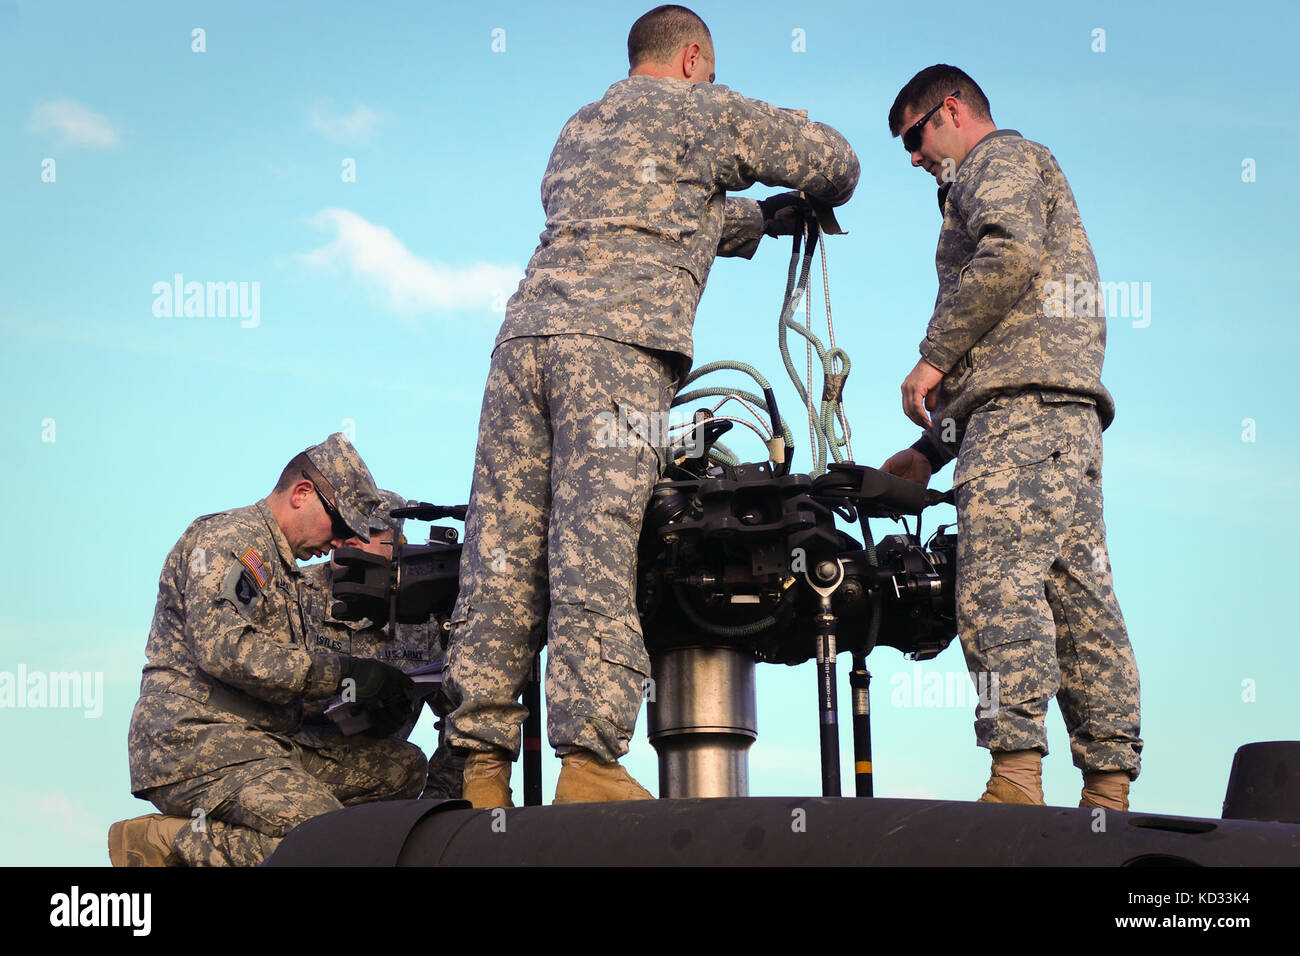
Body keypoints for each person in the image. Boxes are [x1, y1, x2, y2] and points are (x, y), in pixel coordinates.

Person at [445, 3, 860, 807]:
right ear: (695, 56)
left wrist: (758, 224)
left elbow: (657, 209)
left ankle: (481, 770)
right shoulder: (703, 108)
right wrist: (783, 130)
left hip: (523, 345)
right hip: (616, 350)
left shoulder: (581, 126)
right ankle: (589, 762)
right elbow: (835, 164)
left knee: (500, 555)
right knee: (591, 545)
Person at [879, 65, 1142, 810]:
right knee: (1076, 592)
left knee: (998, 581)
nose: (912, 156)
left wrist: (930, 359)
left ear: (951, 111)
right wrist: (933, 451)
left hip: (1024, 417)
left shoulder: (995, 161)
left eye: (912, 135)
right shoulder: (1025, 167)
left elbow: (1008, 256)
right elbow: (1011, 342)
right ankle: (1108, 790)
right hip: (1058, 415)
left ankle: (1017, 778)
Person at [109, 434, 424, 866]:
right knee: (333, 841)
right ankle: (175, 844)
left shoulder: (283, 565)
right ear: (301, 494)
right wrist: (342, 673)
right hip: (198, 739)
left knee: (401, 770)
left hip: (266, 739)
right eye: (338, 526)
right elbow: (224, 648)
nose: (338, 543)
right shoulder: (233, 539)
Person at [296, 489, 464, 800]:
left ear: (396, 543)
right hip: (291, 762)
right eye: (344, 527)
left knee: (408, 765)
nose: (351, 538)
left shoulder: (424, 612)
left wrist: (435, 804)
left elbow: (460, 717)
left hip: (378, 782)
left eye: (368, 531)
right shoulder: (294, 592)